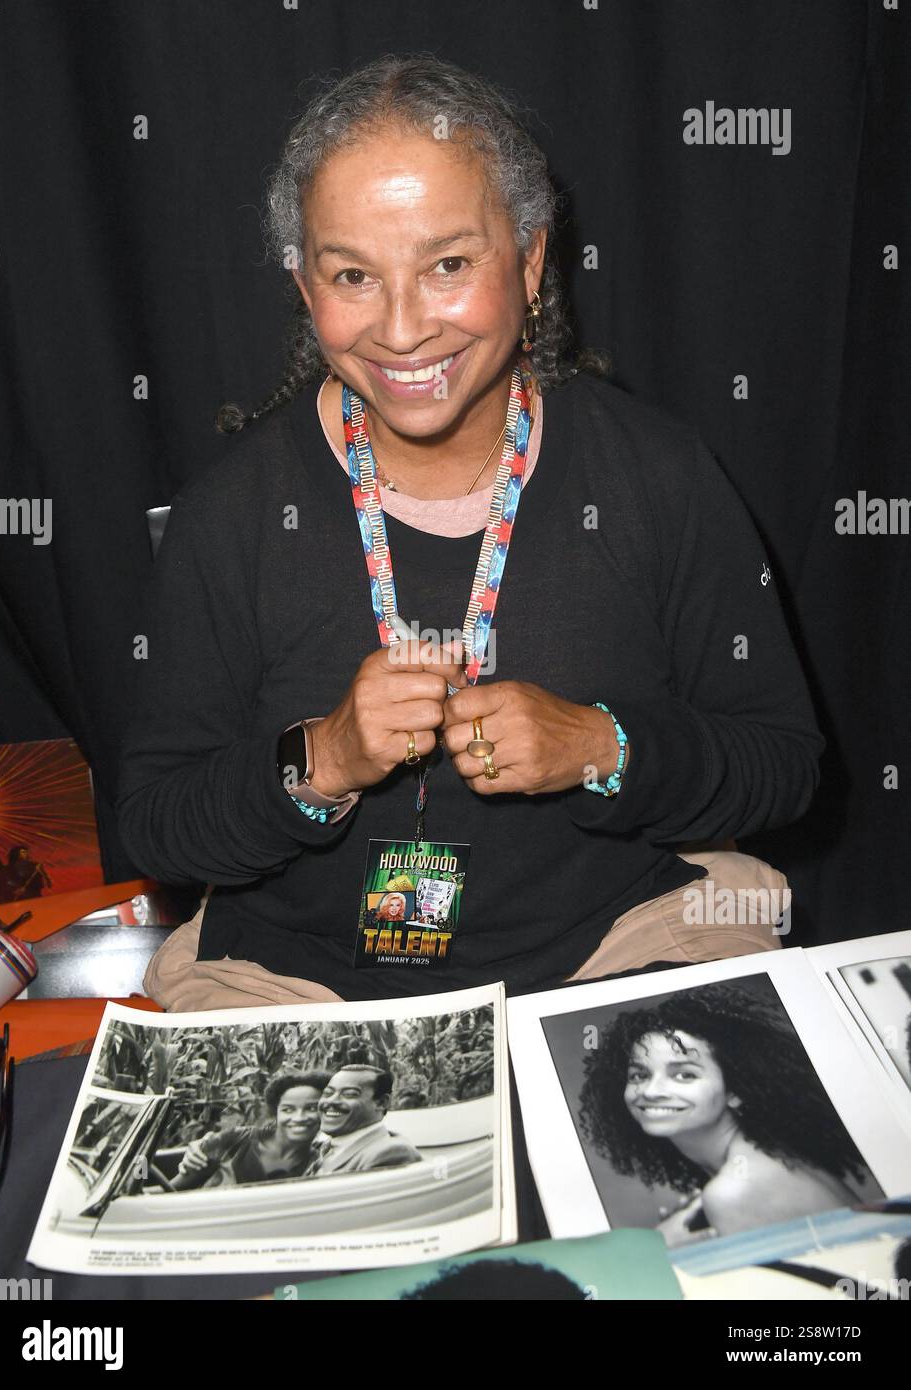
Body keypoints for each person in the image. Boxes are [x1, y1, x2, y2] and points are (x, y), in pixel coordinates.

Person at [118, 54, 823, 1010]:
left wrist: (600, 749)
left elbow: (780, 766)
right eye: (353, 275)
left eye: (449, 264)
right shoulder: (230, 515)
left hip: (611, 943)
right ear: (302, 284)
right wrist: (317, 761)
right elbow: (155, 826)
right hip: (290, 975)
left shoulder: (660, 475)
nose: (404, 329)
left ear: (531, 261)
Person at [577, 983, 869, 1247]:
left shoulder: (734, 1191)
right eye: (639, 1075)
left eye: (683, 1075)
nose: (651, 1091)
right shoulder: (766, 1156)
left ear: (735, 1089)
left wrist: (660, 1252)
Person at [173, 1071, 327, 1189]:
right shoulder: (237, 1139)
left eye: (312, 1108)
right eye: (288, 1110)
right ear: (276, 1113)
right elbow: (172, 1189)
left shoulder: (319, 1162)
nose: (299, 1117)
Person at [306, 1063, 421, 1174]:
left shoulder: (390, 1153)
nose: (331, 1101)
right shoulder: (322, 1147)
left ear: (381, 1103)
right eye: (327, 1093)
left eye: (349, 1094)